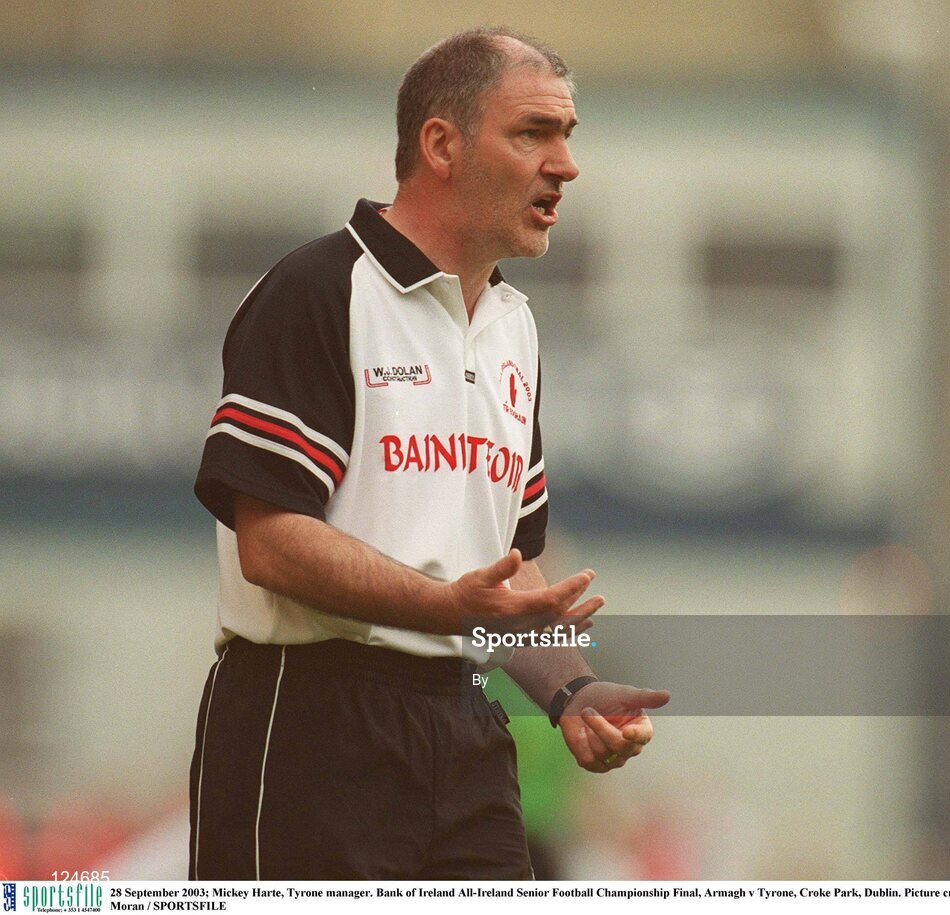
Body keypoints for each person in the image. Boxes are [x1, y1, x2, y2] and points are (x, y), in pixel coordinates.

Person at [189, 25, 670, 880]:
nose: (565, 165)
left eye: (567, 135)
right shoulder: (320, 290)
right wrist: (444, 606)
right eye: (533, 133)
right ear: (441, 145)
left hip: (467, 719)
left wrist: (570, 689)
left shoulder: (514, 326)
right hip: (310, 717)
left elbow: (502, 576)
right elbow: (271, 542)